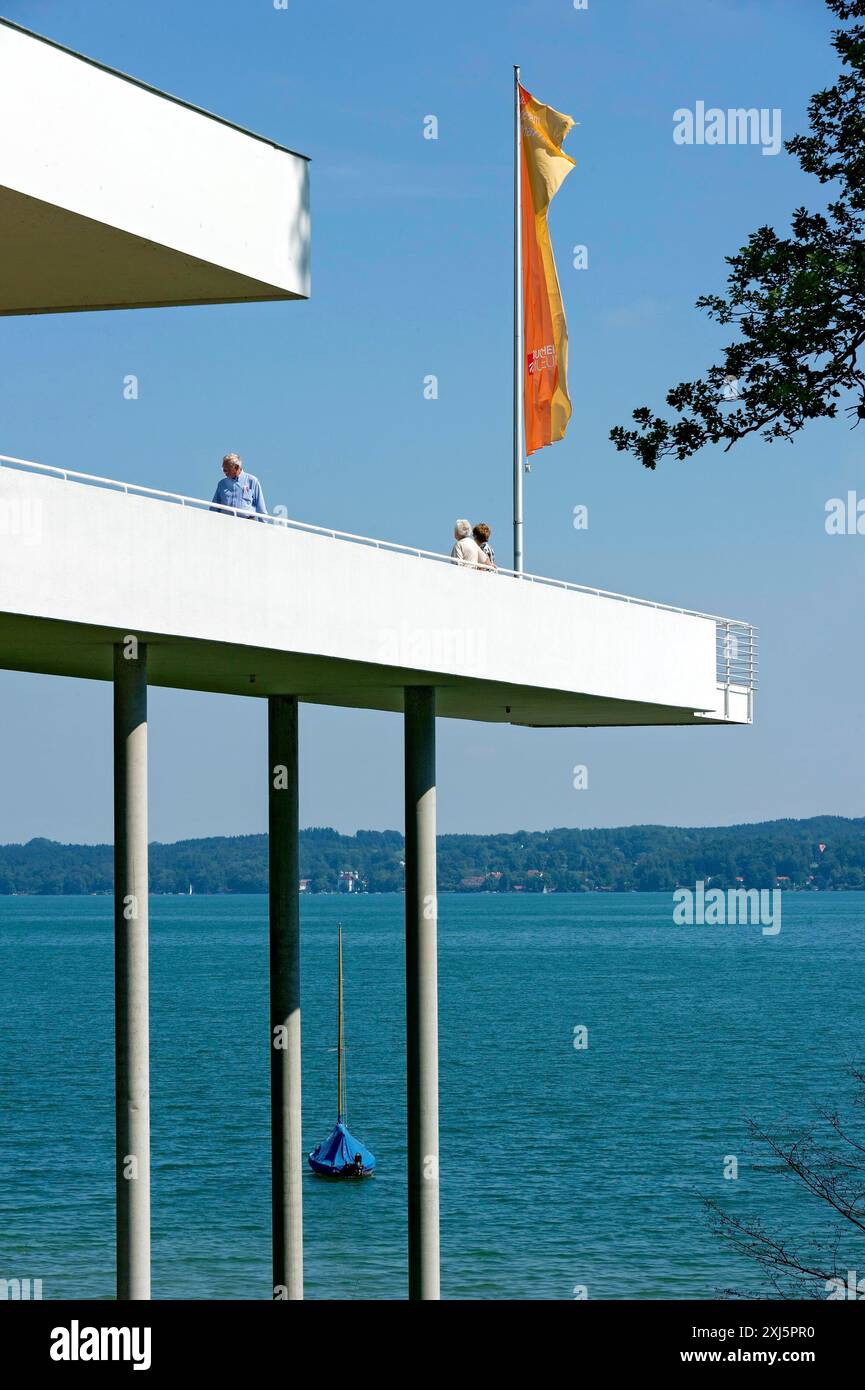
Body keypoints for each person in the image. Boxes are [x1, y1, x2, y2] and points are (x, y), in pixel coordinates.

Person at [210, 453, 267, 520]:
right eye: (223, 469)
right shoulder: (222, 484)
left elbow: (261, 508)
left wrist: (264, 527)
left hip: (247, 523)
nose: (224, 472)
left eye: (226, 470)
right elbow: (214, 507)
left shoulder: (252, 481)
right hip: (225, 523)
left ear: (236, 467)